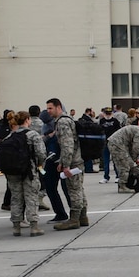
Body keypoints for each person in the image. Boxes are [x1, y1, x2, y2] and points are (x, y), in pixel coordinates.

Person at [1, 111, 48, 236]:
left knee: (16, 198)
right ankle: (34, 226)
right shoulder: (33, 135)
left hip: (12, 173)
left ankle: (16, 227)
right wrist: (40, 166)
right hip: (29, 171)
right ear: (27, 120)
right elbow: (41, 153)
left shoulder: (10, 136)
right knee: (31, 197)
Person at [47, 98, 89, 229]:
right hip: (77, 160)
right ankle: (83, 217)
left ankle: (74, 219)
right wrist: (62, 162)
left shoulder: (62, 122)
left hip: (73, 162)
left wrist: (66, 165)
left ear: (58, 107)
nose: (48, 111)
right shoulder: (67, 120)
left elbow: (67, 144)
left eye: (50, 108)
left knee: (74, 191)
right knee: (79, 189)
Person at [108, 120, 139, 194]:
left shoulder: (137, 129)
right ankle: (122, 186)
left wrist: (134, 159)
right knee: (124, 165)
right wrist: (136, 158)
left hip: (118, 144)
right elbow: (136, 147)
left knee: (129, 164)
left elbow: (131, 148)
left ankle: (128, 184)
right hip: (117, 144)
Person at [98, 108, 121, 183]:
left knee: (115, 160)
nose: (108, 115)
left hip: (113, 143)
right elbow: (99, 130)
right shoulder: (101, 121)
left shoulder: (115, 121)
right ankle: (106, 177)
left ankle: (118, 176)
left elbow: (119, 131)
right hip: (104, 143)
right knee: (106, 161)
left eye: (109, 113)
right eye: (106, 113)